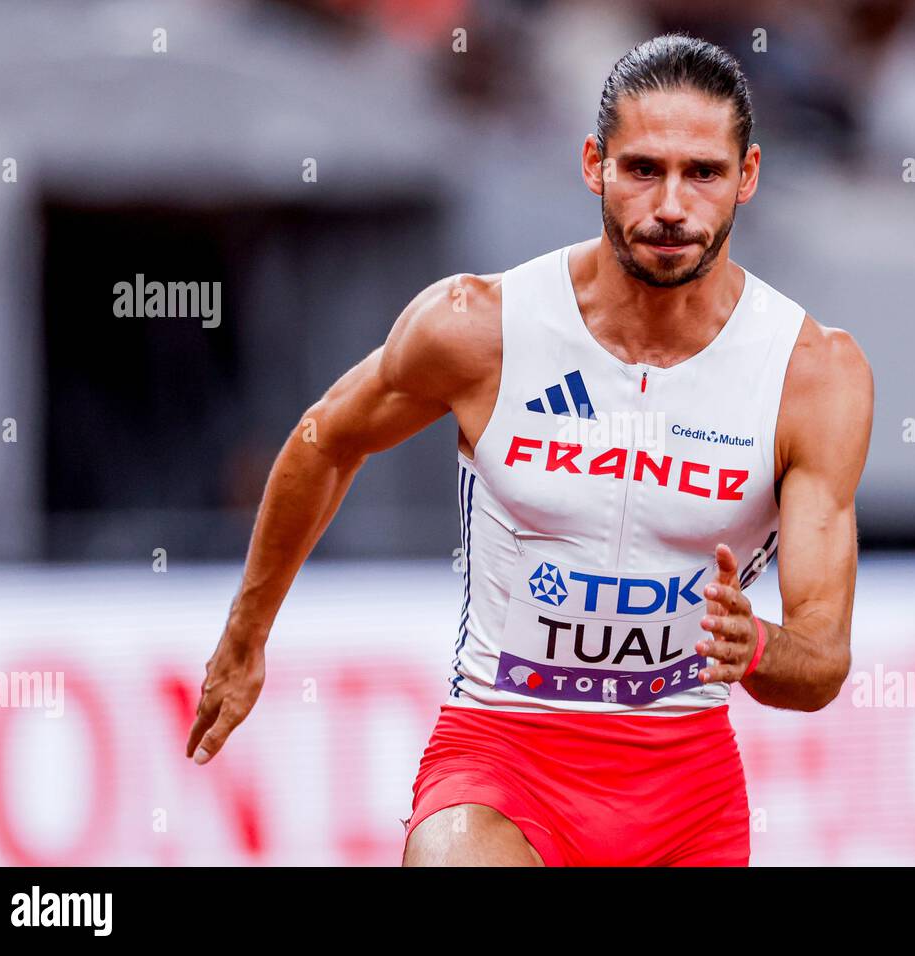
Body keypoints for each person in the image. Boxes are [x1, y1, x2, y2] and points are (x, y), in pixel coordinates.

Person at [186, 33, 873, 867]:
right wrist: (246, 635)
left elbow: (823, 661)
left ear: (748, 177)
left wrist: (758, 647)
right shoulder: (479, 326)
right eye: (642, 169)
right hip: (502, 751)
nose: (671, 207)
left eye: (704, 173)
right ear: (594, 165)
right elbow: (324, 439)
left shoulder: (812, 376)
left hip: (684, 792)